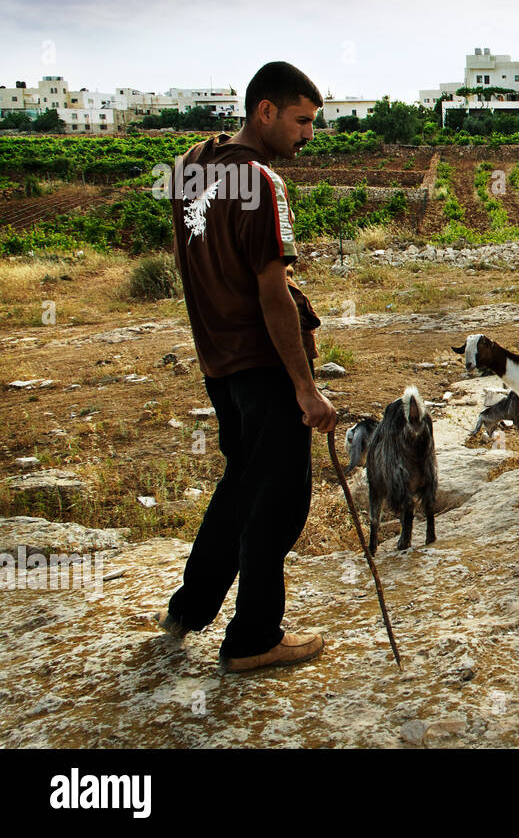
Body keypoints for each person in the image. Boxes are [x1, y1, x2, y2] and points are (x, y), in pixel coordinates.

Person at [156, 61, 337, 673]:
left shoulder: (189, 167)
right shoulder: (260, 182)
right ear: (265, 111)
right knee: (278, 502)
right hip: (262, 364)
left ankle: (190, 607)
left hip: (220, 364)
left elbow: (194, 263)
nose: (308, 135)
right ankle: (255, 637)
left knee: (241, 484)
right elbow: (272, 291)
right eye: (301, 120)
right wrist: (305, 387)